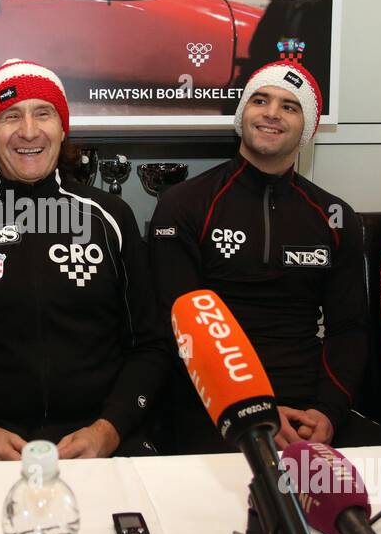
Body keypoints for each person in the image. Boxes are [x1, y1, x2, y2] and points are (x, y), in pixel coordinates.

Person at [0, 60, 171, 460]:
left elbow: (152, 343)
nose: (29, 131)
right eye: (10, 116)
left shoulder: (110, 216)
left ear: (62, 128)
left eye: (44, 113)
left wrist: (110, 429)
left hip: (98, 442)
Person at [150, 60, 369, 452]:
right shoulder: (183, 204)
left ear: (307, 128)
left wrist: (329, 411)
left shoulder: (336, 218)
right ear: (242, 114)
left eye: (290, 106)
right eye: (260, 100)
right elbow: (178, 325)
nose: (272, 113)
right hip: (209, 406)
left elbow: (349, 329)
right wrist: (253, 409)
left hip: (308, 412)